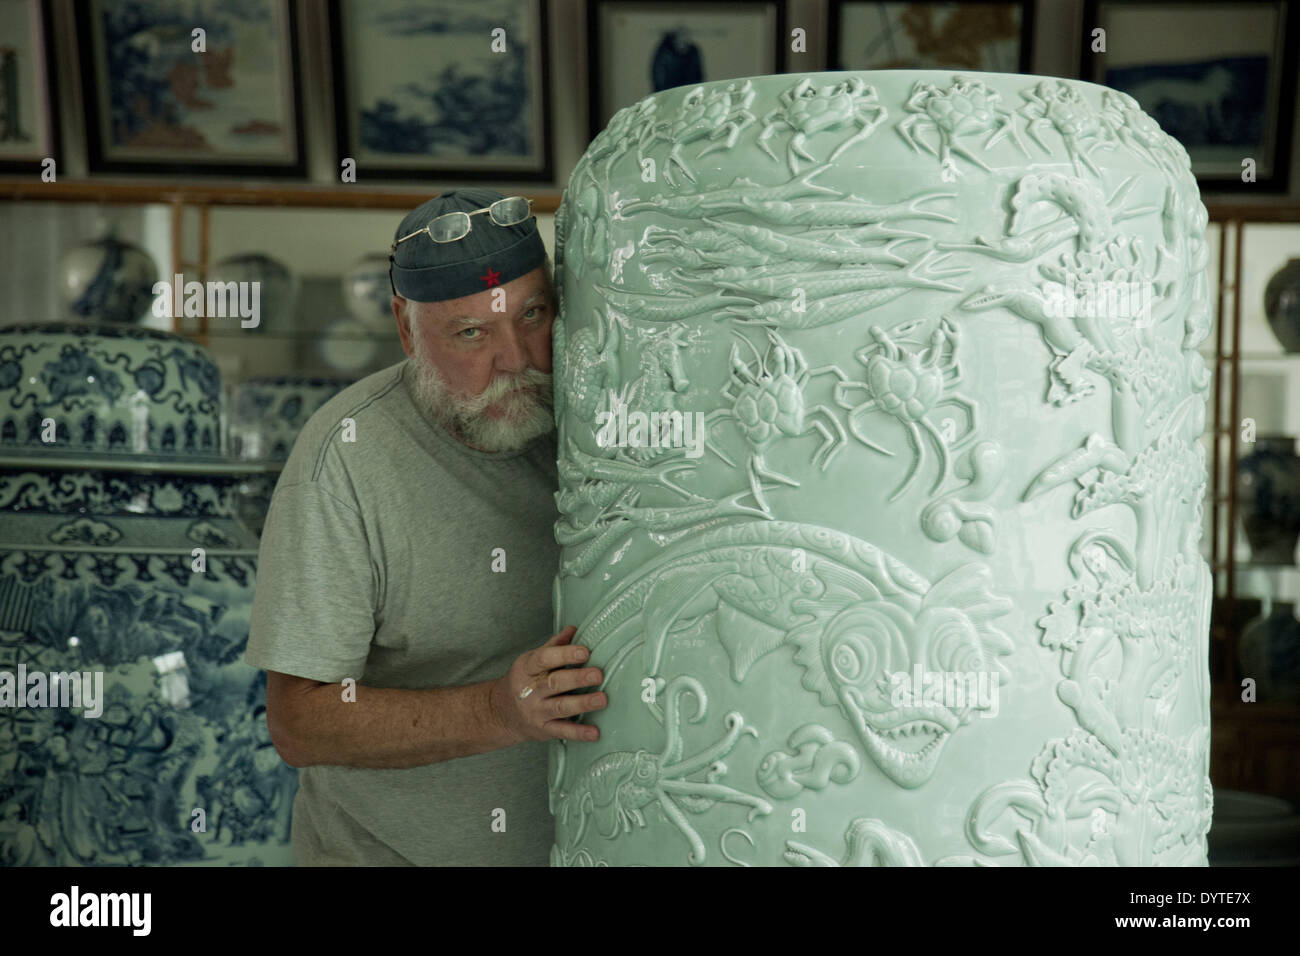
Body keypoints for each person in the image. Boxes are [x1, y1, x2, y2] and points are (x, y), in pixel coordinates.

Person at [245, 188, 607, 866]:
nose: (516, 360)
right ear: (407, 330)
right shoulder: (347, 457)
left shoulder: (590, 423)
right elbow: (297, 721)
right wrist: (500, 710)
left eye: (533, 316)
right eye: (471, 333)